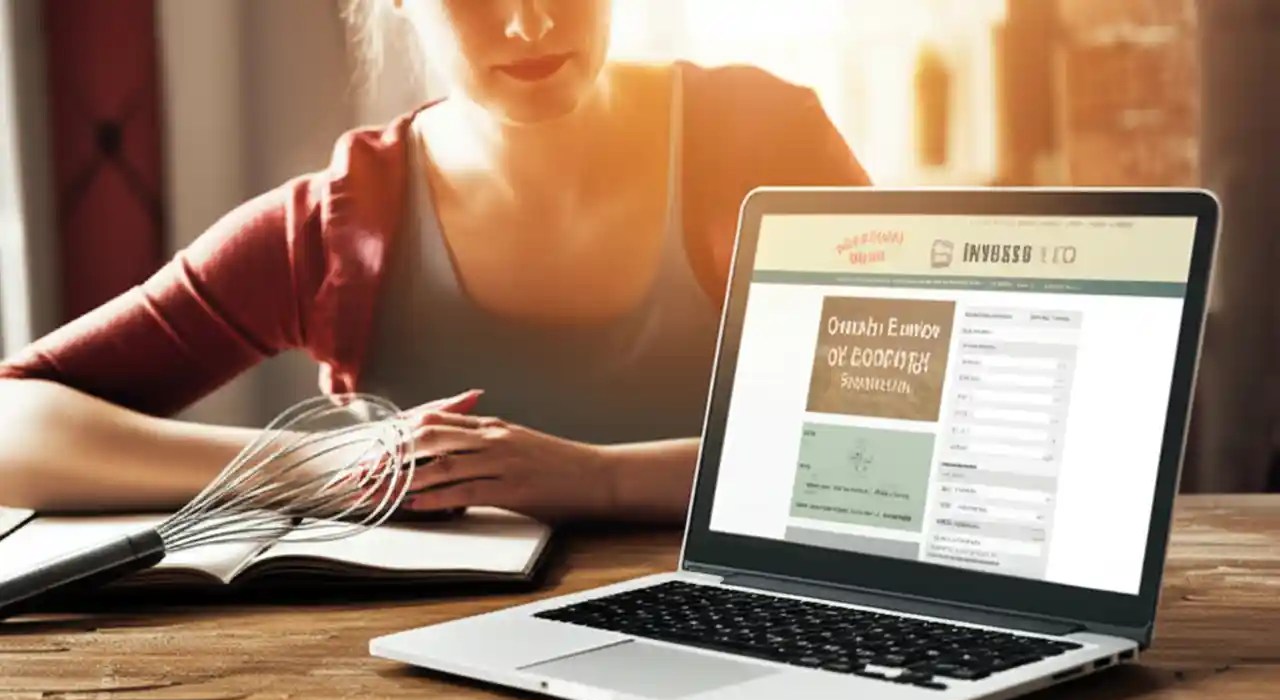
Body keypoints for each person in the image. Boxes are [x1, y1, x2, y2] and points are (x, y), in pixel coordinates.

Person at [0, 0, 870, 524]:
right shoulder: (339, 225)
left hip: (743, 639)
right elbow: (15, 424)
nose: (529, 20)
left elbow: (911, 442)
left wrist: (600, 480)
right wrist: (324, 466)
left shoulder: (762, 137)